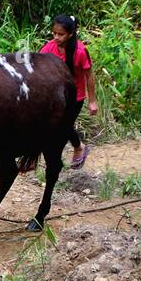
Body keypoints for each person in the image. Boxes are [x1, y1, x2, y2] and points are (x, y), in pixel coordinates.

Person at [41, 14, 97, 169]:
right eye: (54, 33)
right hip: (55, 96)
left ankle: (79, 147)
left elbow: (89, 75)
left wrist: (92, 101)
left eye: (61, 34)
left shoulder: (80, 51)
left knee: (64, 125)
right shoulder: (49, 47)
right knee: (54, 124)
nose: (56, 37)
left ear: (70, 34)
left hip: (75, 96)